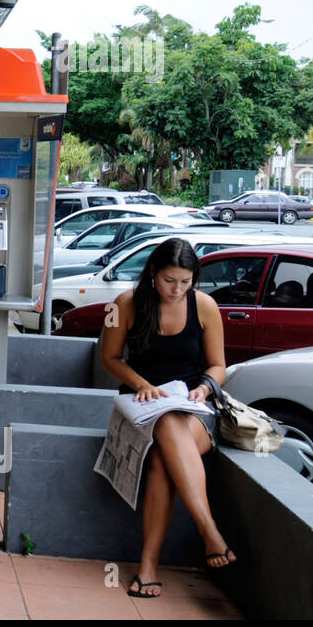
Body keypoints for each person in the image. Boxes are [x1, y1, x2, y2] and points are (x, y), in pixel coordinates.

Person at [99, 237, 236, 598]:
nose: (177, 290)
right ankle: (208, 532)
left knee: (171, 427)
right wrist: (141, 383)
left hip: (194, 410)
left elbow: (219, 366)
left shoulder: (205, 306)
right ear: (153, 273)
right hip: (144, 409)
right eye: (169, 281)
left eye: (185, 282)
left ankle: (149, 567)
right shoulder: (125, 304)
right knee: (162, 446)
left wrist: (205, 388)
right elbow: (109, 359)